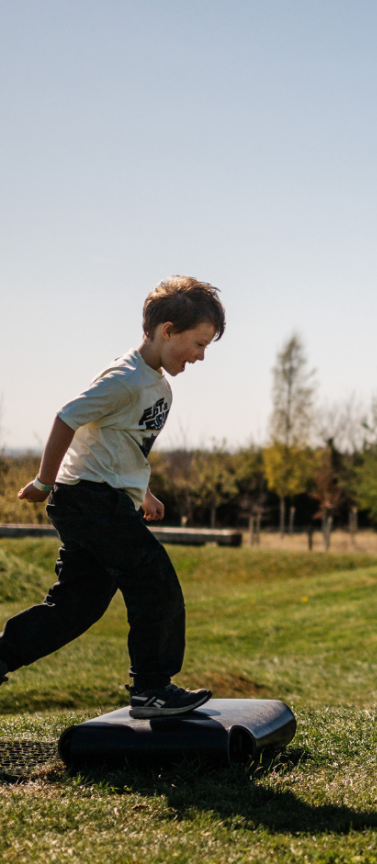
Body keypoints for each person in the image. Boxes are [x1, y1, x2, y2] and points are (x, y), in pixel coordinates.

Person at [0, 276, 225, 717]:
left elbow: (117, 446)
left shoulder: (156, 384)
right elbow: (67, 418)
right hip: (86, 498)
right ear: (167, 331)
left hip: (104, 498)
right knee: (153, 579)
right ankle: (152, 690)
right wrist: (45, 482)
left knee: (75, 606)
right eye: (198, 344)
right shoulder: (124, 378)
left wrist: (142, 491)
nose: (201, 356)